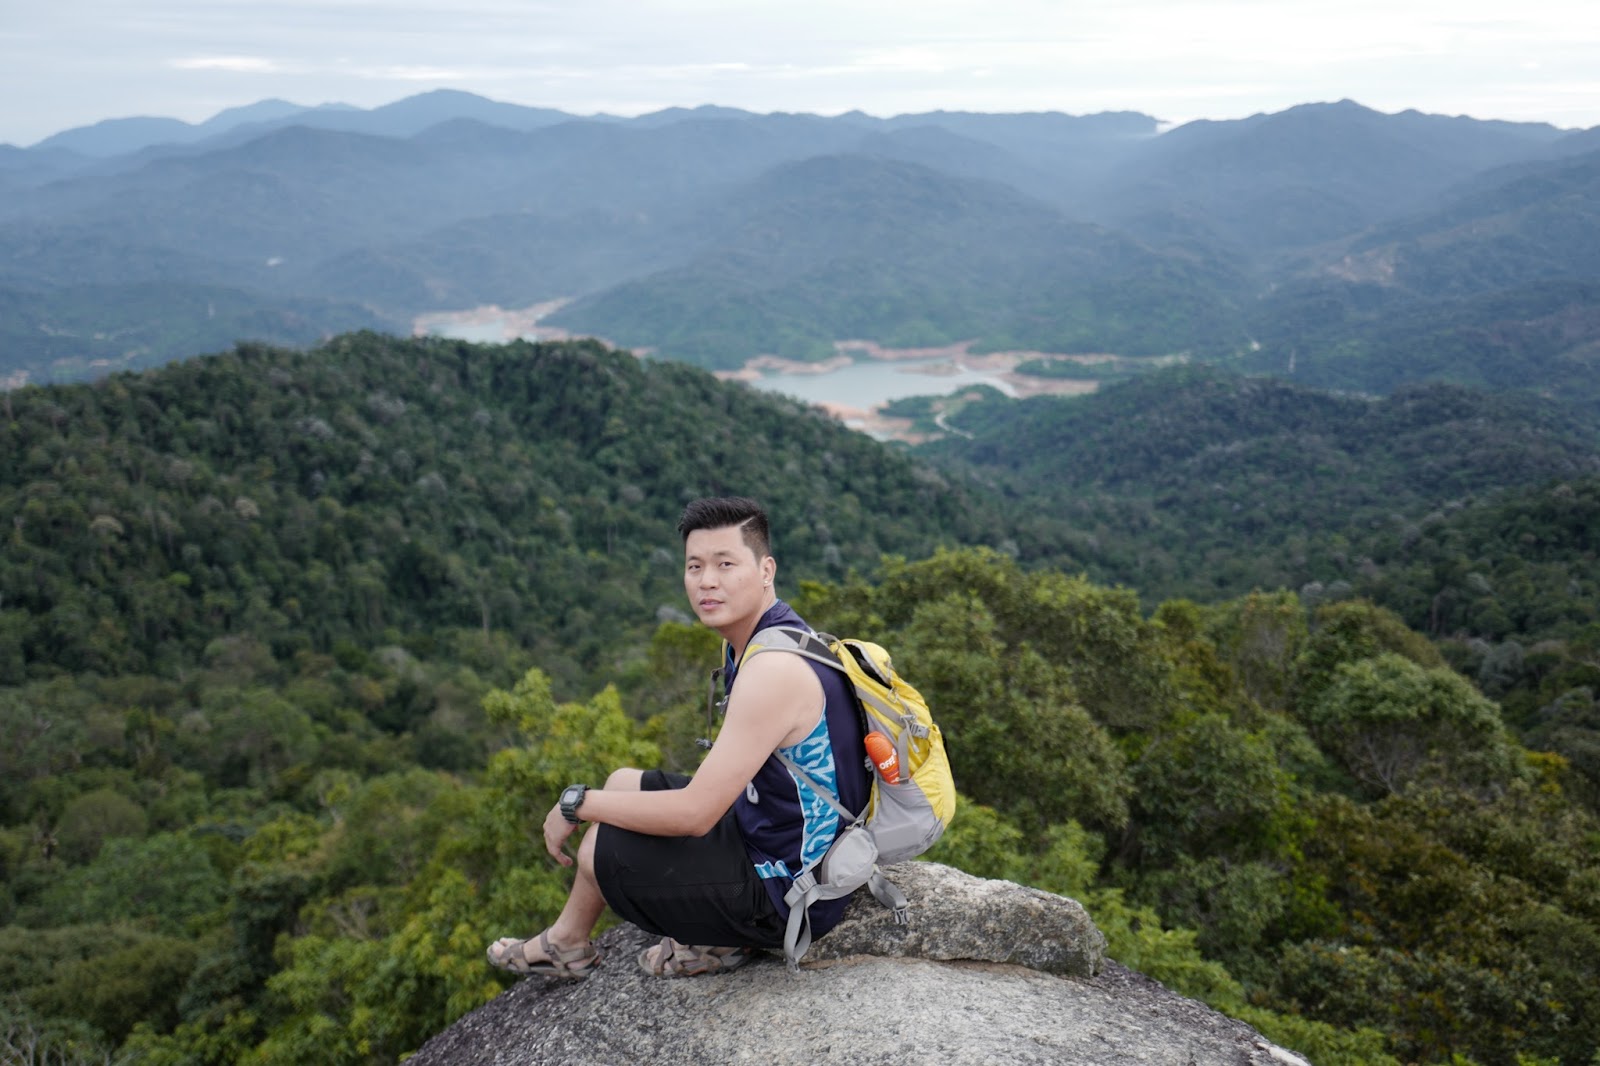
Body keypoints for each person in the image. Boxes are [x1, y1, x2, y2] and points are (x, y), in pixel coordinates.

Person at [486, 496, 869, 978]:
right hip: (771, 834)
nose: (707, 581)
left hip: (790, 891)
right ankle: (568, 942)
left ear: (765, 569)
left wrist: (576, 805)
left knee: (598, 847)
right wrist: (599, 799)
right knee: (623, 782)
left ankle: (724, 940)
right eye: (695, 566)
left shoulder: (773, 671)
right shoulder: (769, 637)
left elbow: (694, 814)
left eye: (725, 564)